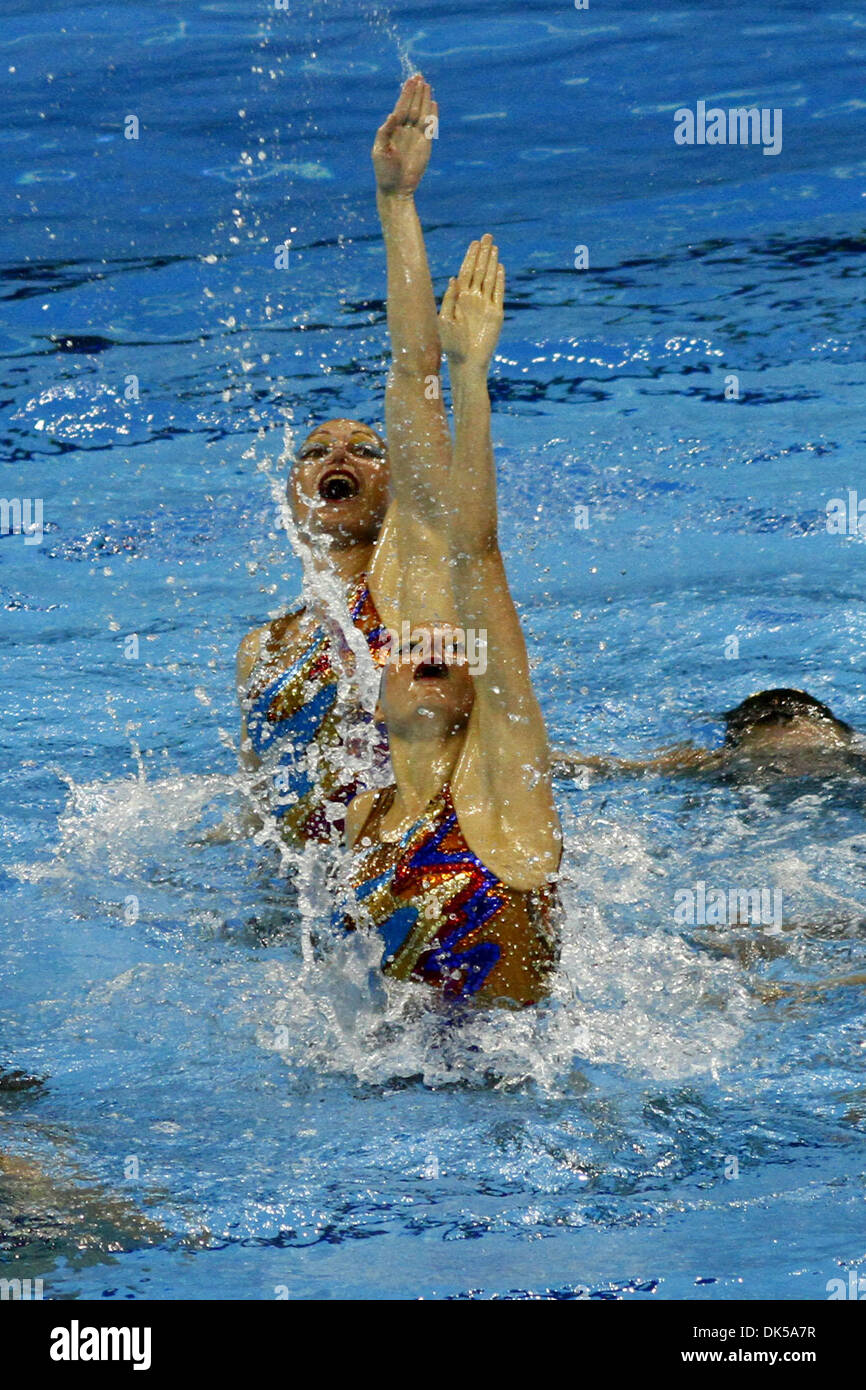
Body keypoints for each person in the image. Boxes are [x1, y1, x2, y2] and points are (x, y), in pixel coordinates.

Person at [342, 231, 562, 1009]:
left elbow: (477, 555)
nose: (430, 643)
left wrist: (472, 380)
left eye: (450, 649)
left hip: (516, 1103)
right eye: (408, 651)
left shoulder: (504, 796)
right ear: (374, 701)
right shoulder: (365, 820)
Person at [235, 75, 447, 846]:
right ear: (292, 493)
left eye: (366, 449)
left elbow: (415, 370)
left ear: (400, 487)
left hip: (412, 867)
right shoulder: (264, 647)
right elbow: (264, 802)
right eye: (317, 450)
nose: (339, 457)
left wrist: (396, 202)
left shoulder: (414, 589)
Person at [553, 687, 863, 783]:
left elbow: (614, 766)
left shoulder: (714, 762)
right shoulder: (853, 753)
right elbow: (612, 766)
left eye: (811, 757)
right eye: (774, 763)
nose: (796, 771)